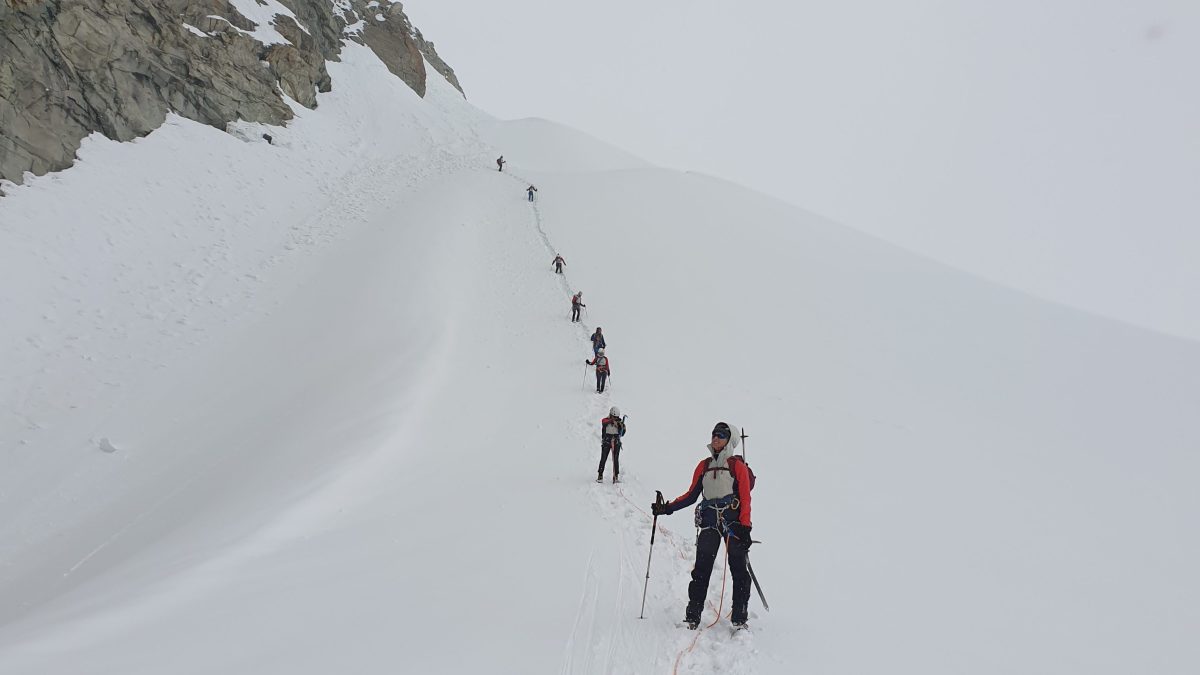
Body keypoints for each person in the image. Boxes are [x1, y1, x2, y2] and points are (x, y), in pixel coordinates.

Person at [651, 422, 753, 629]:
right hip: (709, 523)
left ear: (729, 440)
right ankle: (693, 614)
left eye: (721, 435)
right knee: (701, 569)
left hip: (734, 524)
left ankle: (740, 616)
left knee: (739, 569)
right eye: (714, 435)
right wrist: (667, 508)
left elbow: (745, 497)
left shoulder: (737, 467)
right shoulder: (704, 465)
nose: (716, 438)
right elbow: (691, 495)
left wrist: (746, 526)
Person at [597, 406, 626, 483]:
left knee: (616, 459)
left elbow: (622, 433)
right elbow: (604, 422)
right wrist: (612, 421)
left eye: (616, 417)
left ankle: (616, 476)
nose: (615, 418)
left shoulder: (620, 422)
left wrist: (621, 426)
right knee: (603, 458)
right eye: (614, 417)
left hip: (616, 442)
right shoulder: (606, 420)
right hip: (606, 441)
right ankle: (600, 475)